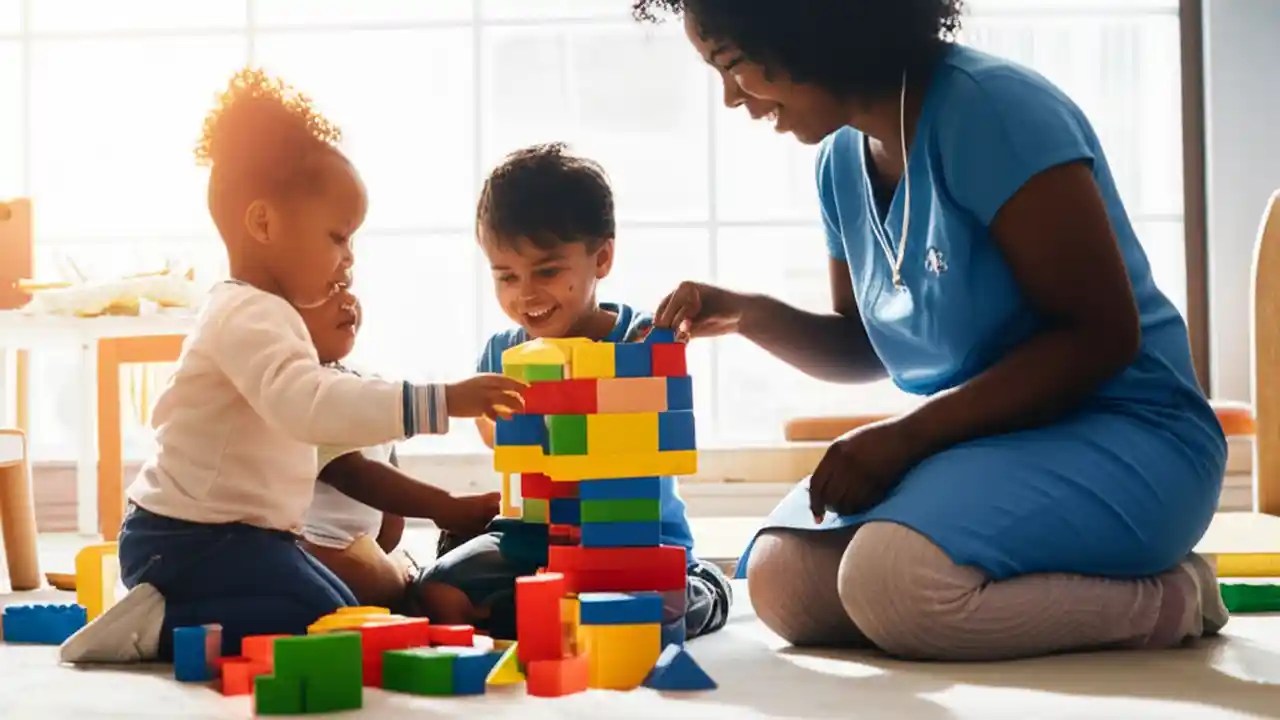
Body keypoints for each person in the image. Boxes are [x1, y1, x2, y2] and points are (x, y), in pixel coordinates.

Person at [633, 0, 1228, 661]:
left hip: (1135, 435)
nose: (731, 99)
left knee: (894, 584)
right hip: (995, 441)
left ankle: (1169, 599)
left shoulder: (992, 111)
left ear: (806, 29)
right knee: (783, 579)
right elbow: (867, 342)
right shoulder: (839, 161)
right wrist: (747, 313)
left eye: (732, 65)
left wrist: (907, 437)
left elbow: (1100, 335)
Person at [59, 68, 524, 663]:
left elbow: (322, 429)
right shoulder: (245, 314)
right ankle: (157, 622)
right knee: (311, 618)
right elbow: (311, 407)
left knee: (346, 615)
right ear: (263, 224)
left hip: (247, 540)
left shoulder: (272, 317)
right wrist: (442, 400)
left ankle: (185, 610)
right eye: (338, 237)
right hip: (182, 542)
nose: (348, 259)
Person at [415, 142, 733, 641]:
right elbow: (496, 441)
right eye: (506, 276)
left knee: (644, 613)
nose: (526, 294)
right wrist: (506, 415)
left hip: (638, 541)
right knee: (434, 592)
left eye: (547, 271)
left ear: (601, 258)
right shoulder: (502, 352)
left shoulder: (639, 338)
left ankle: (706, 587)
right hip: (527, 539)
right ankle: (539, 614)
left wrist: (634, 373)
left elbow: (665, 429)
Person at [296, 291, 500, 610]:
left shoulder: (365, 380)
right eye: (325, 294)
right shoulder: (299, 392)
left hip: (361, 546)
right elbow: (350, 472)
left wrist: (391, 542)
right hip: (320, 546)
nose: (347, 300)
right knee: (405, 586)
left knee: (412, 576)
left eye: (345, 287)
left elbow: (386, 466)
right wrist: (443, 506)